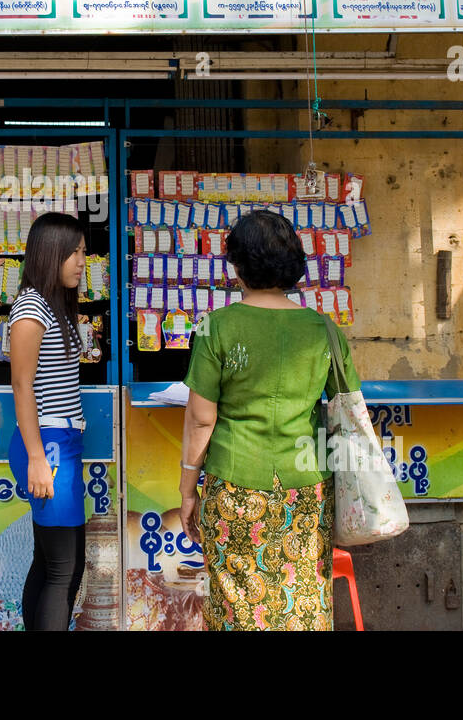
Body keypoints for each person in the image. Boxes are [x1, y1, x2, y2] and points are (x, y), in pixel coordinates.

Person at [179, 210, 360, 631]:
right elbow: (348, 406)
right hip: (307, 488)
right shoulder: (324, 329)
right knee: (303, 601)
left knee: (238, 607)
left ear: (237, 266)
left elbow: (201, 421)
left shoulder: (216, 327)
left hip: (234, 485)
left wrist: (189, 490)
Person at [6, 212, 88, 631]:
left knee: (52, 562)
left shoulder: (51, 303)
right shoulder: (32, 306)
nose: (81, 262)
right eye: (74, 252)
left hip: (59, 442)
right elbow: (22, 386)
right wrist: (38, 458)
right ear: (51, 252)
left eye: (83, 253)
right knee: (64, 567)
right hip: (48, 444)